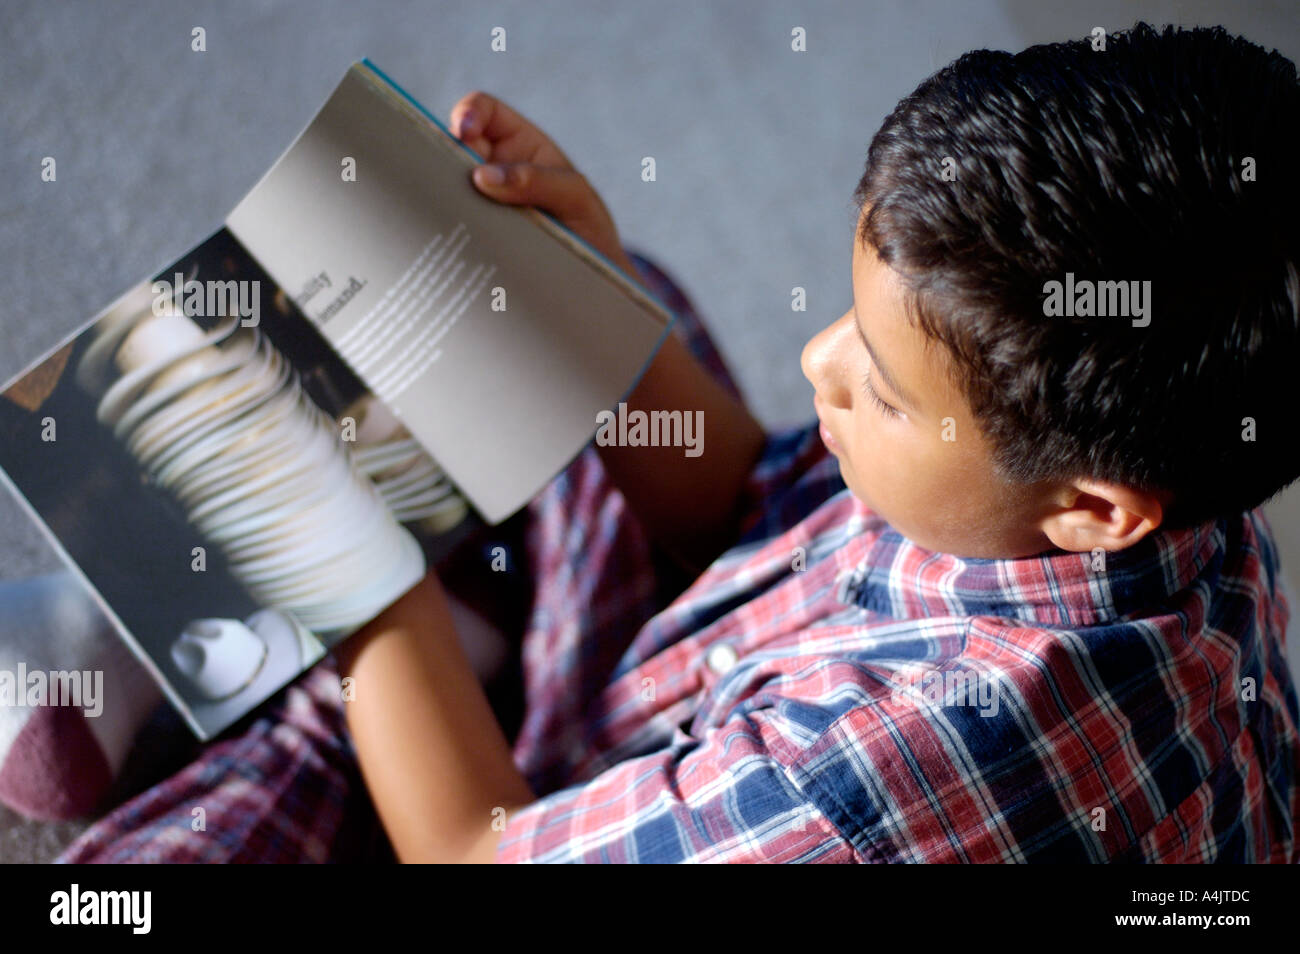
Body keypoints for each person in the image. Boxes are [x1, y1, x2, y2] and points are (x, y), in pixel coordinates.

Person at [41, 21, 1300, 862]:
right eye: (850, 316)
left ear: (1093, 506)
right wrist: (584, 278)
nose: (819, 360)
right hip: (732, 660)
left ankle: (281, 625)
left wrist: (348, 573)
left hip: (666, 805)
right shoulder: (1103, 481)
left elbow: (474, 852)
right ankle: (383, 618)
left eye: (881, 381)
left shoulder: (873, 786)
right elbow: (742, 509)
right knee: (582, 316)